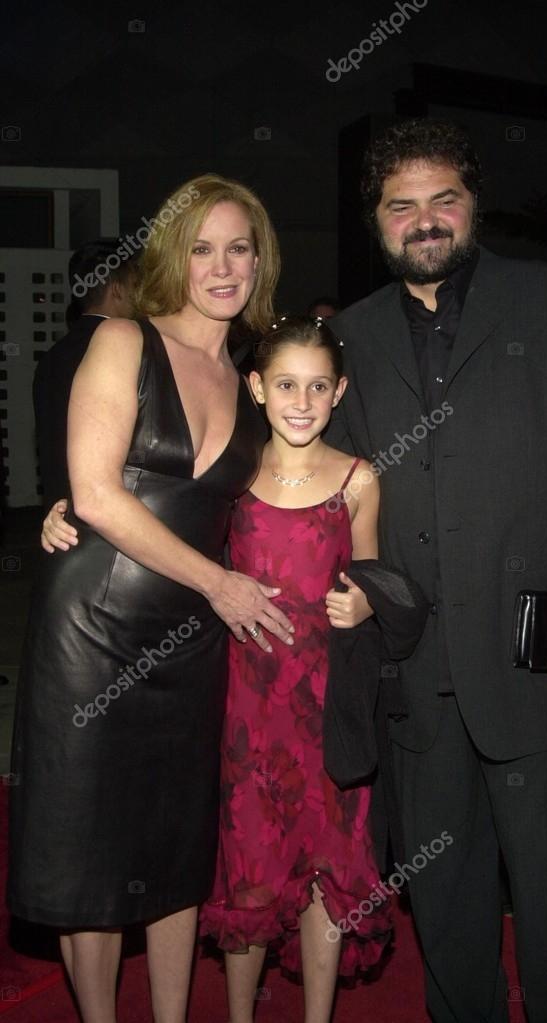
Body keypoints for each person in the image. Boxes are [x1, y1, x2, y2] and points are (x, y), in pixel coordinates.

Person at [326, 119, 547, 1023]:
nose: (424, 220)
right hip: (411, 667)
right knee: (446, 897)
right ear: (375, 222)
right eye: (402, 206)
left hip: (536, 654)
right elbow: (314, 475)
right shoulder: (349, 335)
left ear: (473, 206)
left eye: (443, 200)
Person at [43, 316, 397, 1023]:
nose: (301, 401)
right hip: (239, 701)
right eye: (286, 384)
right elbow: (144, 508)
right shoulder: (235, 479)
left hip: (324, 704)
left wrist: (367, 604)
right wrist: (66, 509)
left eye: (318, 386)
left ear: (340, 392)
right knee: (251, 865)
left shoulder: (360, 481)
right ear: (257, 388)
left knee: (329, 859)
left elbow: (370, 576)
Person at [7, 173, 294, 1023]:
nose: (220, 265)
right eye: (201, 246)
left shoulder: (251, 376)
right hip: (91, 628)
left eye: (238, 247)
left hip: (194, 639)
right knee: (85, 842)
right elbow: (94, 493)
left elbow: (279, 490)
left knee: (178, 841)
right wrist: (219, 583)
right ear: (173, 255)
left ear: (258, 260)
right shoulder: (122, 340)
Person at [33, 238, 138, 509]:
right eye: (135, 286)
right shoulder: (126, 353)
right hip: (111, 514)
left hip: (60, 513)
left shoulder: (52, 357)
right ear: (117, 290)